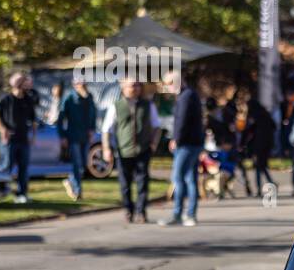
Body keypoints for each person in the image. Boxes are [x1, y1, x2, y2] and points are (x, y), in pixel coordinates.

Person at [101, 78, 162, 223]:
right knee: (125, 183)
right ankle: (128, 209)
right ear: (123, 88)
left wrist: (154, 143)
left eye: (137, 85)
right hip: (123, 151)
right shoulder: (116, 106)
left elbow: (157, 126)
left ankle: (141, 212)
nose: (135, 88)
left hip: (143, 149)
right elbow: (106, 129)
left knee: (142, 182)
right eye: (131, 86)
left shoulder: (148, 105)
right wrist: (106, 149)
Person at [159, 71, 203, 227]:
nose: (168, 87)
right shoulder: (188, 95)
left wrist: (176, 139)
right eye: (167, 84)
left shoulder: (186, 96)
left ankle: (180, 214)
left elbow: (182, 120)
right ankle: (188, 214)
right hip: (192, 143)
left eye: (170, 83)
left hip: (187, 144)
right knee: (190, 179)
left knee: (178, 178)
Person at [0, 72, 37, 204]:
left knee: (23, 168)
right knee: (6, 166)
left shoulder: (28, 100)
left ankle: (22, 194)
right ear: (16, 84)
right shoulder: (5, 99)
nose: (25, 84)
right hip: (9, 140)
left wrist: (33, 136)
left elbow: (33, 120)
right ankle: (0, 192)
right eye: (22, 81)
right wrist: (3, 129)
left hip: (23, 139)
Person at [57, 78, 97, 201]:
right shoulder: (69, 98)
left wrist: (92, 129)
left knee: (84, 164)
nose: (83, 86)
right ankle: (78, 192)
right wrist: (63, 136)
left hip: (85, 136)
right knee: (77, 165)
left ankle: (70, 180)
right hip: (73, 137)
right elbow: (60, 119)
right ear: (75, 85)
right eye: (80, 84)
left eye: (85, 83)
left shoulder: (89, 97)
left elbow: (93, 115)